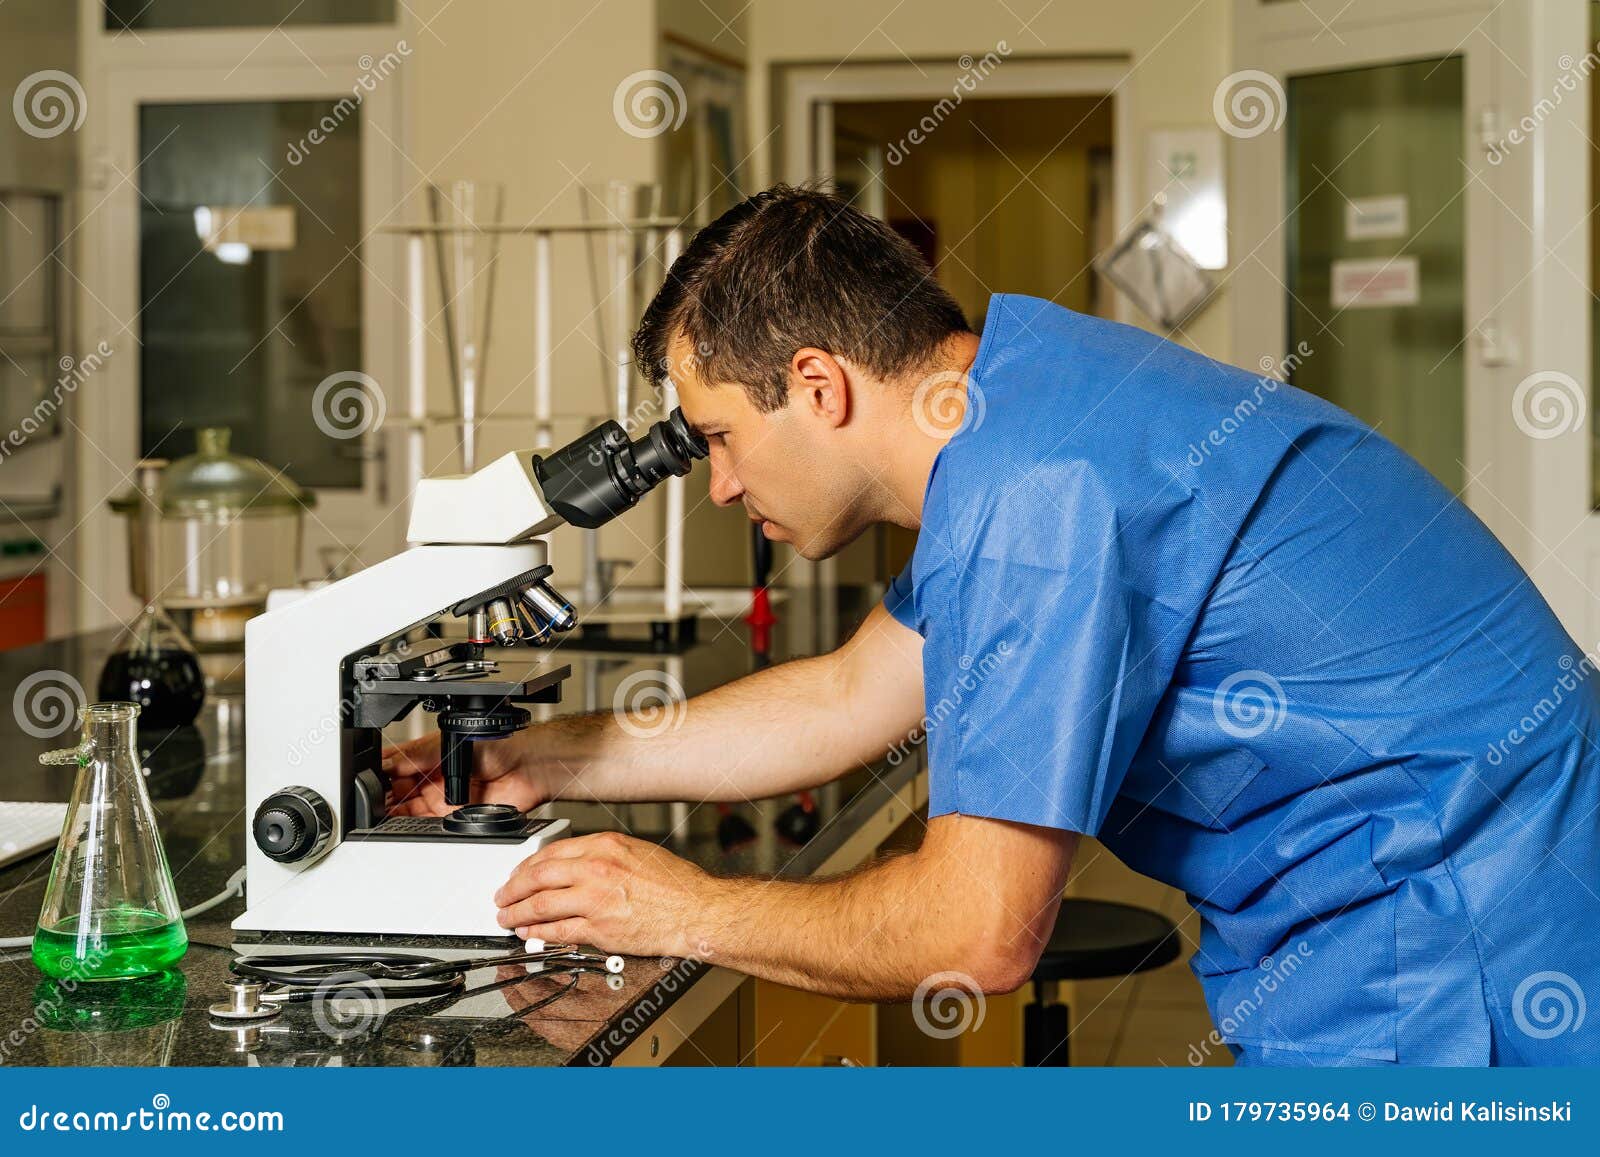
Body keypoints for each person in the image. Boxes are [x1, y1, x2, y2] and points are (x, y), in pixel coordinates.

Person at [386, 185, 1600, 1066]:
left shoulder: (1037, 493)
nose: (719, 485)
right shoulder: (1023, 401)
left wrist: (683, 907)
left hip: (1461, 953)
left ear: (817, 384)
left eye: (716, 439)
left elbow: (976, 929)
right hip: (1446, 903)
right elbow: (851, 694)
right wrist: (536, 758)